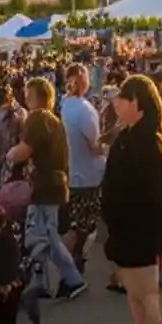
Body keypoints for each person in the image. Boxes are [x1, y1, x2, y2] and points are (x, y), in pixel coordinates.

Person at [10, 77, 86, 323]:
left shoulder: (37, 118)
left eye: (28, 93)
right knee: (44, 233)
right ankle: (40, 281)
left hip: (44, 185)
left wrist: (9, 155)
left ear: (35, 96)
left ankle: (73, 279)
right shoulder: (54, 119)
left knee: (45, 235)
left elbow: (23, 151)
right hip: (56, 182)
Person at [102, 75, 162, 324]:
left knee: (147, 294)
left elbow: (158, 197)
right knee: (136, 295)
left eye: (123, 98)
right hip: (124, 230)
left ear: (137, 103)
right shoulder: (128, 136)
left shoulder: (147, 143)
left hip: (139, 231)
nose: (117, 103)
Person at [60, 63, 105, 274]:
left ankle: (72, 266)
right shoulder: (85, 110)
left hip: (73, 172)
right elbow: (95, 147)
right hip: (89, 175)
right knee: (82, 227)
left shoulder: (64, 105)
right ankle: (70, 267)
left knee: (78, 224)